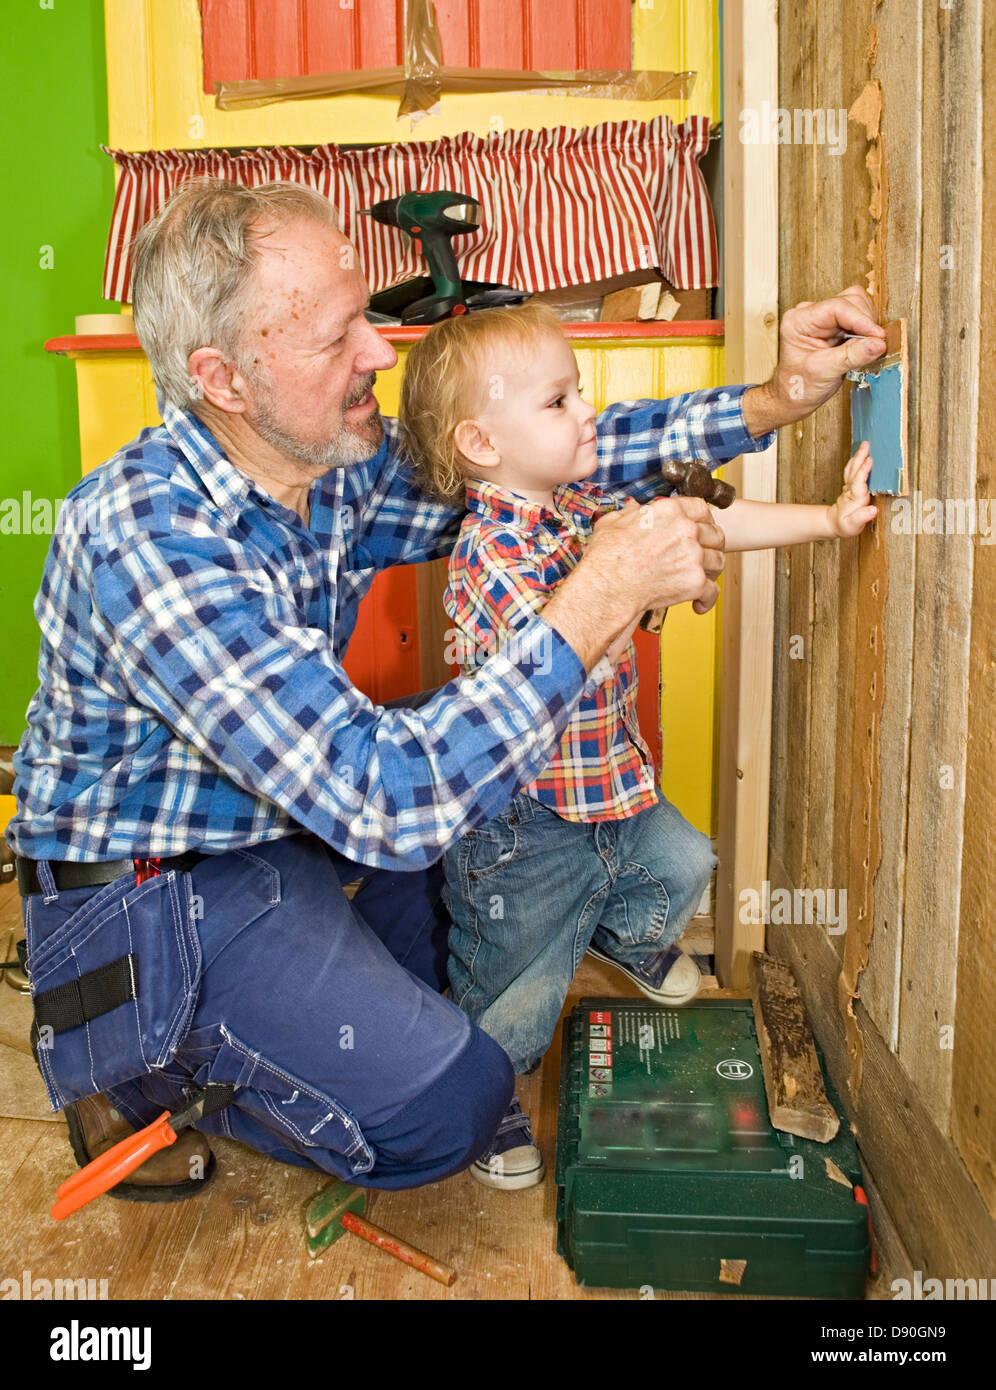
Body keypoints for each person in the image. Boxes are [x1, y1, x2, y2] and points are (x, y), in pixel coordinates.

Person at [7, 177, 886, 1200]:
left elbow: (540, 454)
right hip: (158, 889)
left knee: (482, 895)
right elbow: (385, 799)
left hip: (280, 829)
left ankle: (299, 986)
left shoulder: (323, 467)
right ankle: (128, 1056)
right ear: (225, 378)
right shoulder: (148, 539)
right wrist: (600, 594)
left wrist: (774, 400)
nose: (383, 353)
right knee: (454, 1105)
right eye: (341, 338)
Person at [398, 301, 878, 1188]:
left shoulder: (583, 503)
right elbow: (560, 662)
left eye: (579, 392)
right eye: (559, 401)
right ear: (480, 443)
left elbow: (709, 529)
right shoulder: (486, 559)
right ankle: (484, 1091)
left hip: (611, 787)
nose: (589, 413)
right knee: (517, 984)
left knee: (688, 861)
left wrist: (827, 520)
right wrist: (633, 587)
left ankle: (619, 931)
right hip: (522, 828)